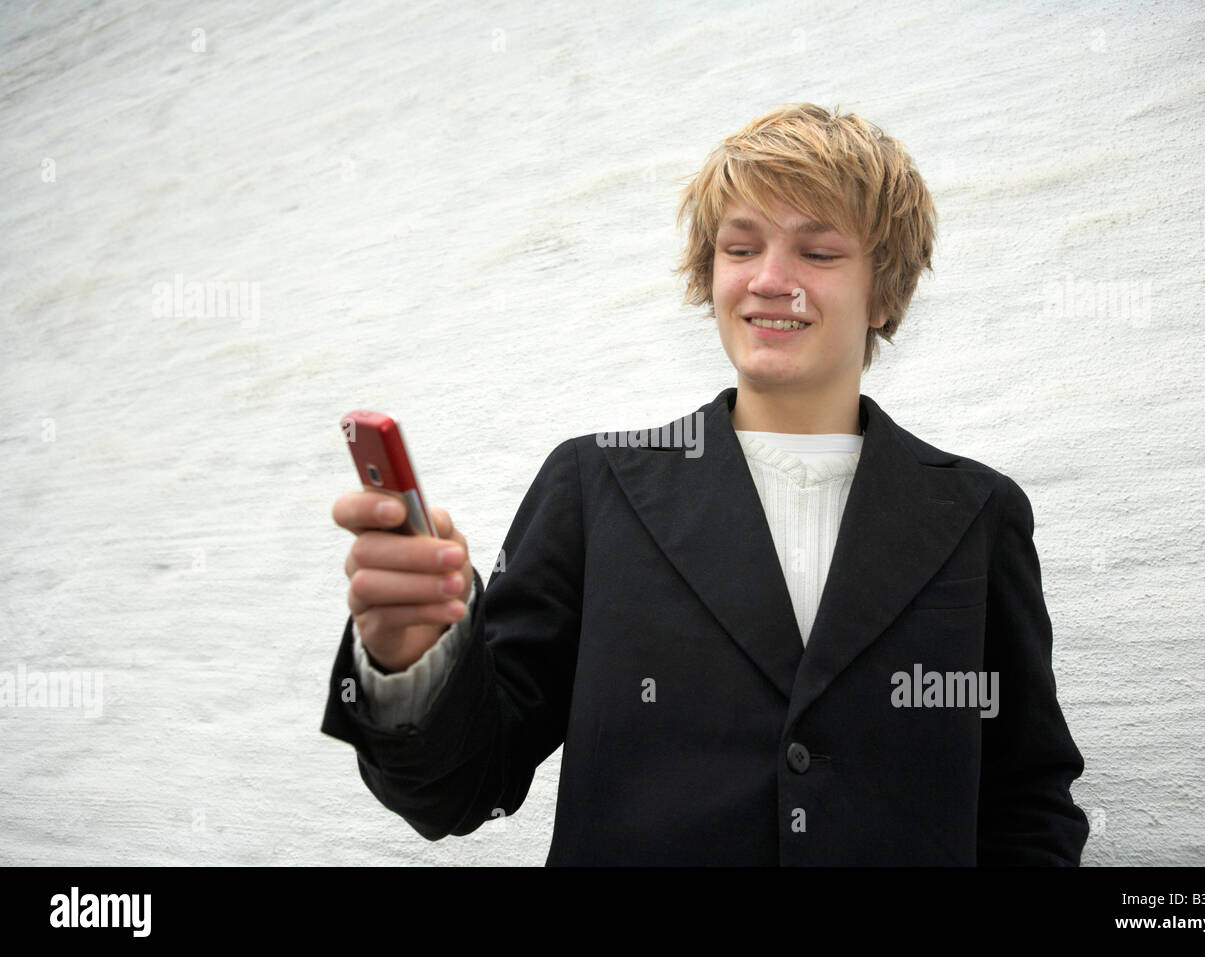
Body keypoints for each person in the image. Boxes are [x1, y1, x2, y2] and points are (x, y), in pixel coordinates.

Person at [321, 103, 1090, 865]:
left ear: (885, 294)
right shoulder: (595, 486)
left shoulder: (980, 514)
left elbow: (1027, 801)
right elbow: (463, 785)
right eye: (740, 247)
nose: (769, 279)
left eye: (818, 252)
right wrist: (411, 660)